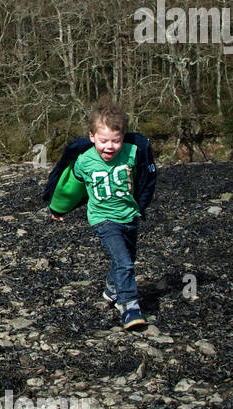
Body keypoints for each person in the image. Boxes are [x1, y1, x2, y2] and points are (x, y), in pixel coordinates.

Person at [42, 104, 157, 330]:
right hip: (103, 218)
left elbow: (145, 179)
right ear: (92, 137)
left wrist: (140, 207)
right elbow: (70, 188)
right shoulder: (84, 160)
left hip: (129, 216)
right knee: (124, 263)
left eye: (115, 140)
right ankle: (129, 307)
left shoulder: (133, 153)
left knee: (126, 259)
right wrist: (58, 208)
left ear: (123, 137)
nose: (109, 146)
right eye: (103, 141)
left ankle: (111, 289)